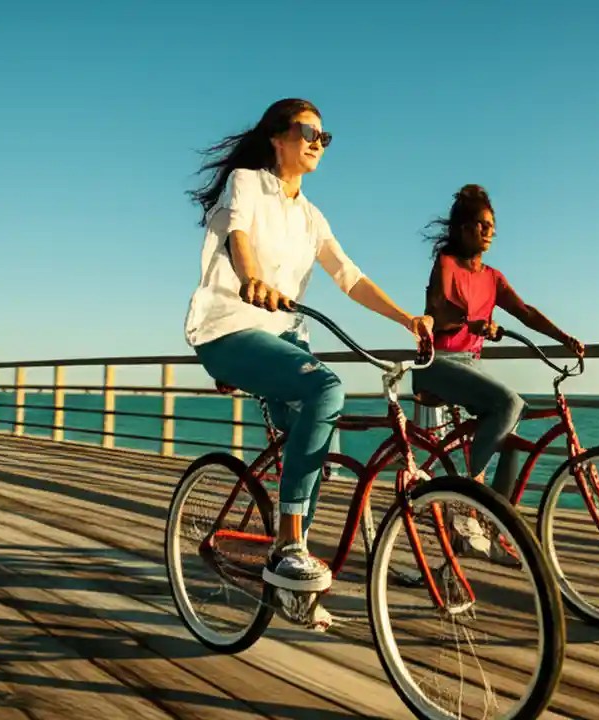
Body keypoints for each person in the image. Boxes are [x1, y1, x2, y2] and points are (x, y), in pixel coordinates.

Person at [184, 98, 433, 607]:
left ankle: (288, 580)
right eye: (308, 132)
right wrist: (252, 280)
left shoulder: (312, 216)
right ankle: (289, 545)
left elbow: (350, 277)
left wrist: (407, 318)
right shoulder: (248, 184)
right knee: (327, 388)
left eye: (325, 136)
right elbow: (239, 237)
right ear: (278, 139)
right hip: (229, 328)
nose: (319, 142)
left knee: (314, 435)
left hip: (283, 337)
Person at [412, 184, 584, 557]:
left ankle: (494, 524)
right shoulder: (447, 263)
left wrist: (563, 336)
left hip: (470, 365)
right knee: (508, 402)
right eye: (482, 225)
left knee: (514, 418)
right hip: (437, 363)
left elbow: (525, 311)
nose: (489, 232)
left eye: (492, 227)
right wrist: (472, 322)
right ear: (463, 228)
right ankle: (468, 499)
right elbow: (439, 308)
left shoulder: (492, 277)